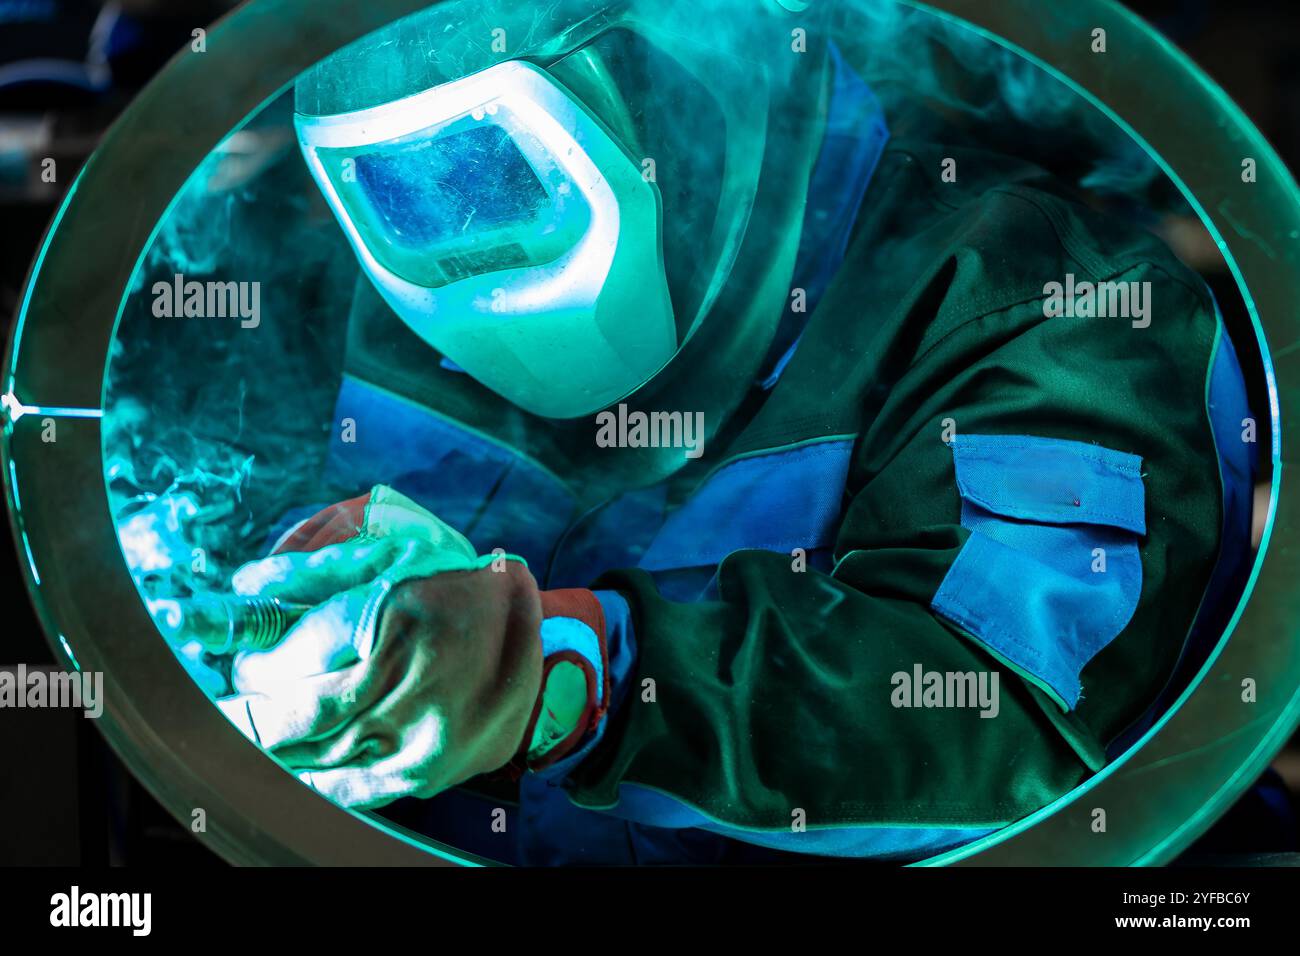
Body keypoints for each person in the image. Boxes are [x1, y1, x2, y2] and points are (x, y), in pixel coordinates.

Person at [215, 0, 1257, 863]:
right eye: (403, 192)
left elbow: (1021, 721)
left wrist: (567, 676)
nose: (458, 243)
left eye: (481, 175)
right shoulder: (370, 308)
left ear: (677, 90)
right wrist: (319, 627)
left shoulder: (1046, 299)